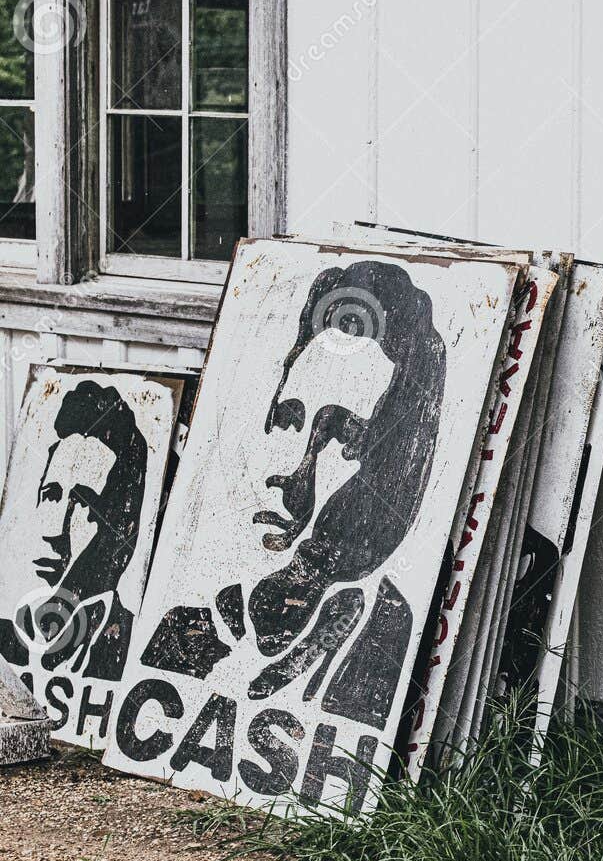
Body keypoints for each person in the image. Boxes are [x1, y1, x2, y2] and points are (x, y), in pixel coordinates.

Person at [141, 259, 447, 730]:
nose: (287, 473)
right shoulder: (182, 620)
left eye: (335, 434)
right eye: (286, 416)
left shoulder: (391, 650)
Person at [0, 379, 149, 680]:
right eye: (51, 494)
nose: (53, 531)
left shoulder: (139, 644)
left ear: (117, 521)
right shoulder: (4, 635)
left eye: (82, 501)